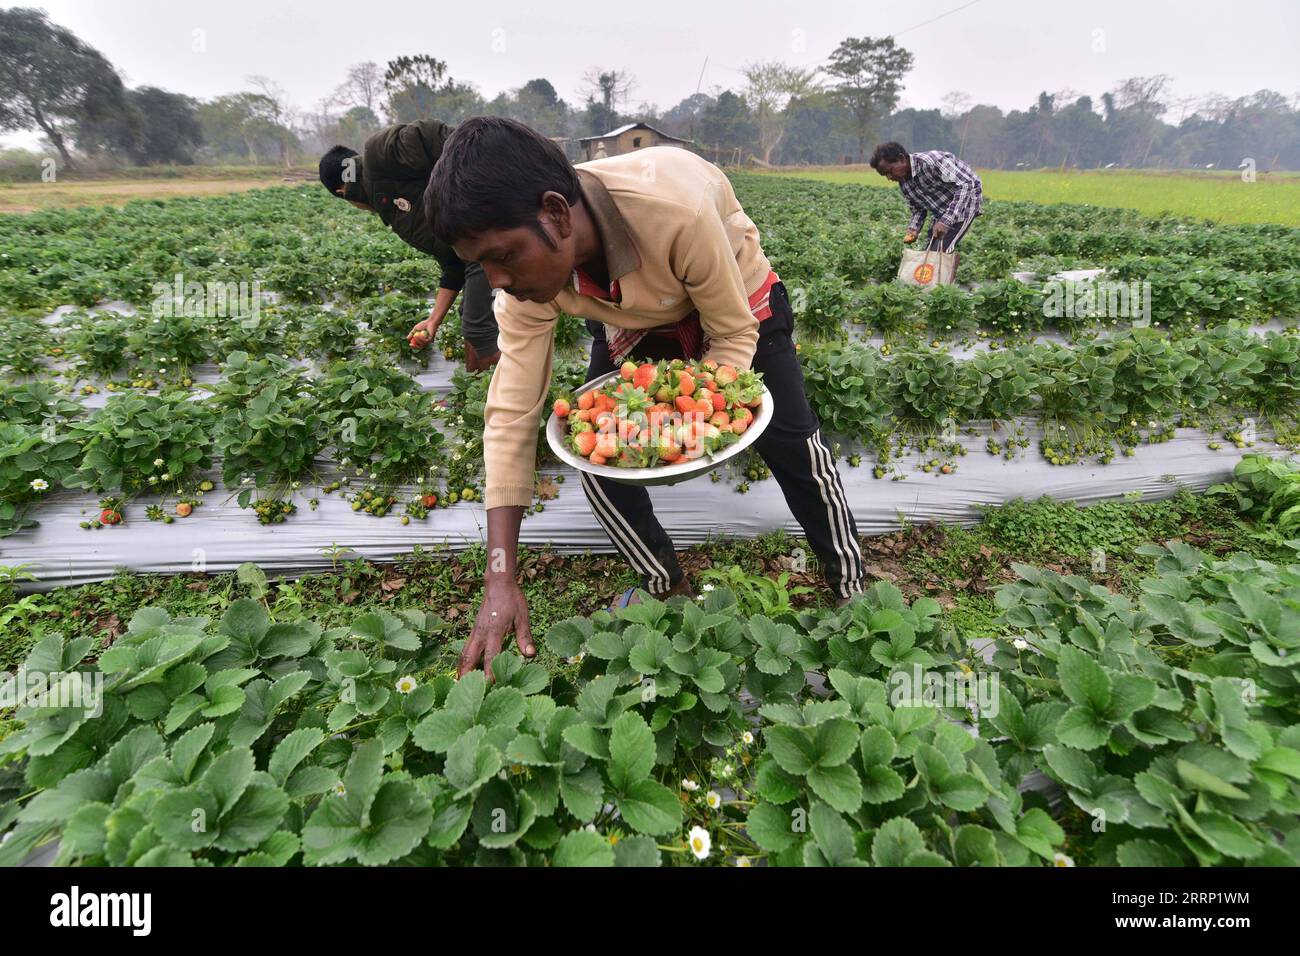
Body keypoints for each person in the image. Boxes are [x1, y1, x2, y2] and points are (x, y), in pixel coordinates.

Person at [426, 116, 867, 680]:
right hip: (629, 316)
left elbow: (732, 333)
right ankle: (667, 586)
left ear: (557, 214)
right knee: (597, 460)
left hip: (735, 301)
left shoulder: (674, 210)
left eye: (503, 256)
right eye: (480, 265)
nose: (497, 280)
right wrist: (498, 576)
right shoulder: (523, 285)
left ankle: (853, 588)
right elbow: (512, 413)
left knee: (792, 443)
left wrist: (692, 425)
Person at [318, 120, 500, 371]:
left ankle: (506, 402)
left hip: (493, 240)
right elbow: (452, 265)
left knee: (479, 329)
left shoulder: (377, 157)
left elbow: (430, 135)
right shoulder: (390, 210)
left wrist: (486, 179)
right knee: (472, 323)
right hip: (475, 255)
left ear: (342, 192)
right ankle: (478, 396)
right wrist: (434, 320)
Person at [870, 141, 983, 254]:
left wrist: (945, 221)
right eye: (885, 175)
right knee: (929, 252)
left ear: (901, 159)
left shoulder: (933, 161)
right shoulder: (904, 183)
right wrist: (913, 228)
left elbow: (967, 183)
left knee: (939, 251)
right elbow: (918, 209)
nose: (889, 177)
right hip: (941, 210)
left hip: (966, 201)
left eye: (890, 171)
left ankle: (943, 269)